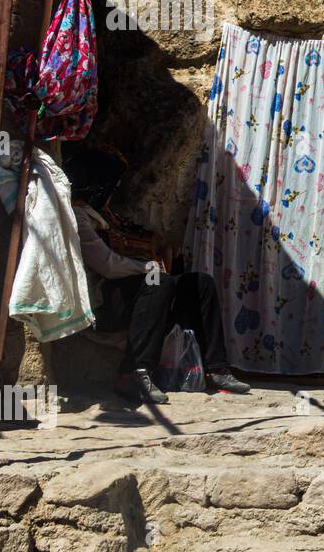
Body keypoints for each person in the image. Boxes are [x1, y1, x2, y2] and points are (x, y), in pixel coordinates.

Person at [63, 149, 251, 404]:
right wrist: (150, 268)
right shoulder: (78, 217)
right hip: (102, 303)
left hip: (137, 295)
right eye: (109, 183)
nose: (112, 189)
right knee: (158, 281)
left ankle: (216, 368)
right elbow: (107, 265)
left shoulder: (103, 215)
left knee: (200, 284)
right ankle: (133, 372)